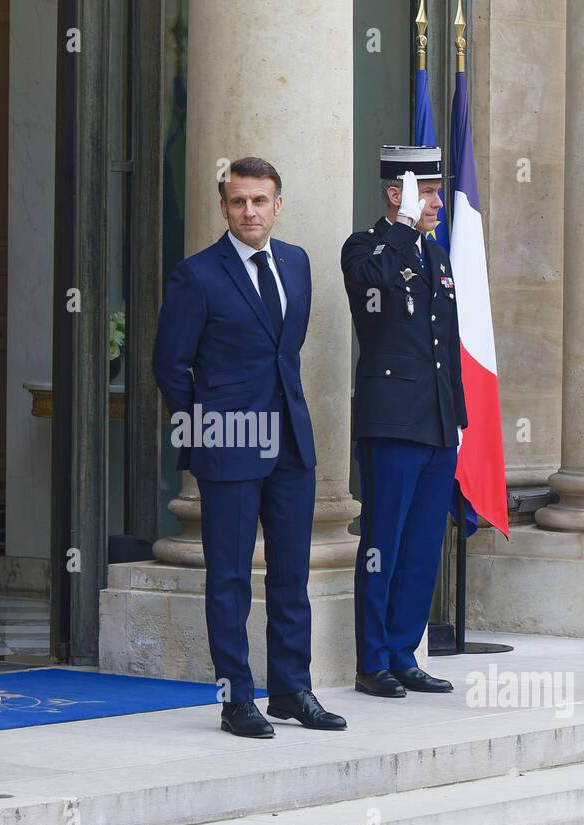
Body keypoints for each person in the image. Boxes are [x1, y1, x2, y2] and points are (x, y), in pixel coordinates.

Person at [152, 156, 345, 738]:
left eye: (259, 201)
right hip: (228, 444)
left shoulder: (297, 263)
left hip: (289, 441)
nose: (250, 211)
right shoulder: (198, 274)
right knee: (230, 576)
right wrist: (202, 431)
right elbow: (169, 366)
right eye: (238, 201)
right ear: (224, 206)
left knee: (291, 573)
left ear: (277, 205)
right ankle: (236, 699)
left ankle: (291, 690)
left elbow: (286, 353)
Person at [341, 145, 466, 699]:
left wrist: (459, 418)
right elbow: (375, 287)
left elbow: (448, 345)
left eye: (436, 191)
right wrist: (404, 225)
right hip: (391, 424)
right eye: (429, 191)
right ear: (398, 194)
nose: (438, 202)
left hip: (437, 423)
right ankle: (372, 661)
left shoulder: (436, 256)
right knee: (383, 544)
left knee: (421, 547)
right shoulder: (367, 248)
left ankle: (403, 651)